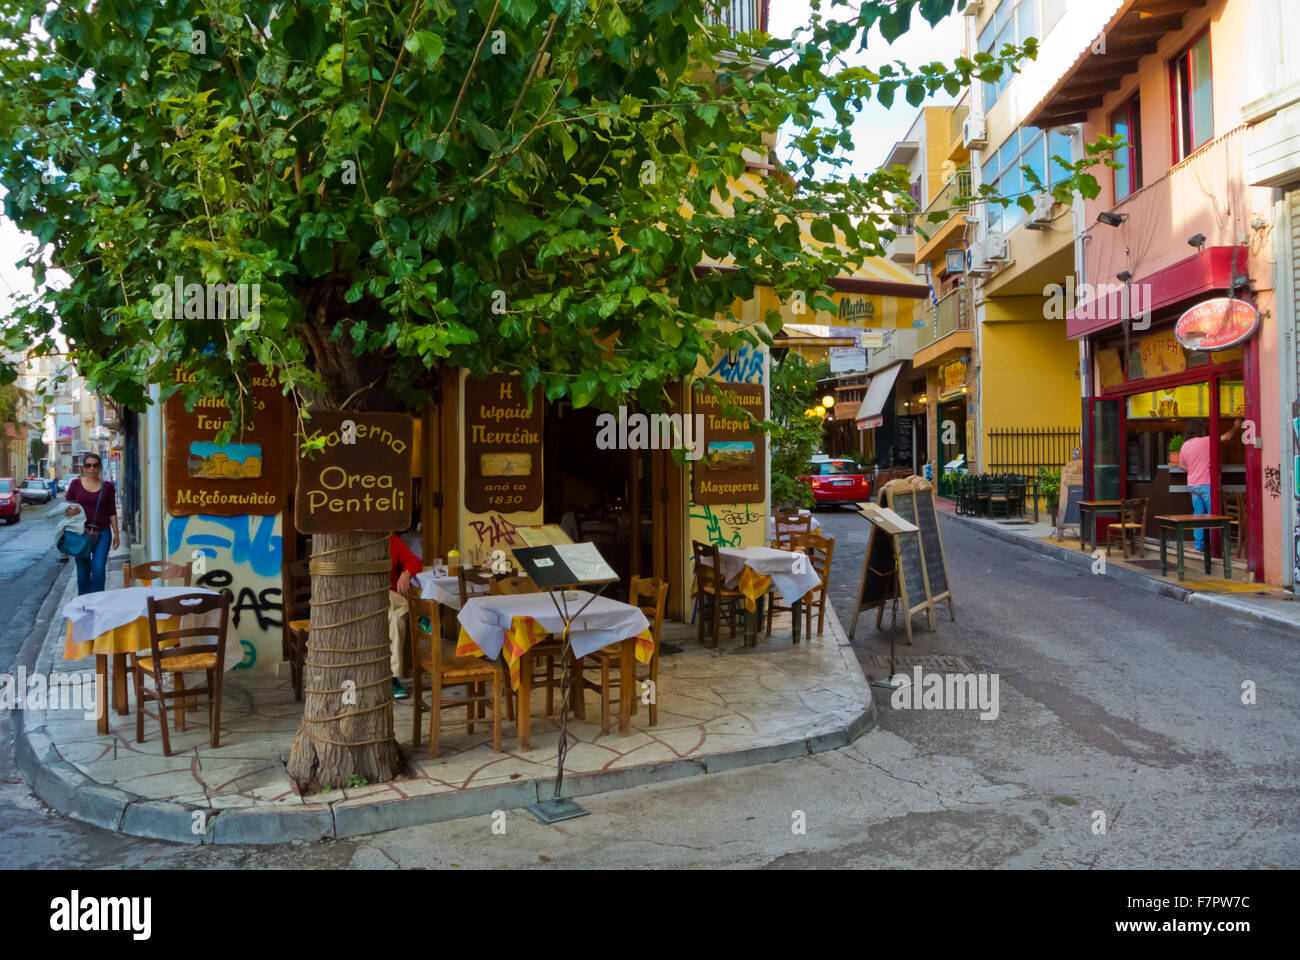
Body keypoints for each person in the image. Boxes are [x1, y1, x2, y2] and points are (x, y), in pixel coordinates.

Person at [1179, 418, 1240, 552]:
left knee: (1198, 515)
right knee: (1213, 515)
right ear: (1200, 429)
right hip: (1206, 483)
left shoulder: (1185, 445)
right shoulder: (1207, 441)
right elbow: (1228, 436)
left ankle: (1199, 546)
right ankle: (1215, 546)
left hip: (1193, 484)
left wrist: (1193, 469)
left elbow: (1181, 465)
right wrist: (1236, 426)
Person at [63, 454, 119, 594]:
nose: (92, 468)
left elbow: (112, 511)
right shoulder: (76, 484)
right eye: (88, 465)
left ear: (100, 467)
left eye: (95, 465)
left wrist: (116, 534)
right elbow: (66, 507)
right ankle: (84, 606)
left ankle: (97, 604)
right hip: (81, 535)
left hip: (103, 533)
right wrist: (70, 512)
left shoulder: (108, 487)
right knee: (82, 573)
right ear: (84, 468)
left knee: (99, 570)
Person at [388, 533, 422, 699]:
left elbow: (414, 560)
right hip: (364, 598)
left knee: (397, 621)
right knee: (397, 605)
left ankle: (393, 677)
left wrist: (406, 573)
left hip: (391, 603)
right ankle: (419, 614)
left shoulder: (391, 539)